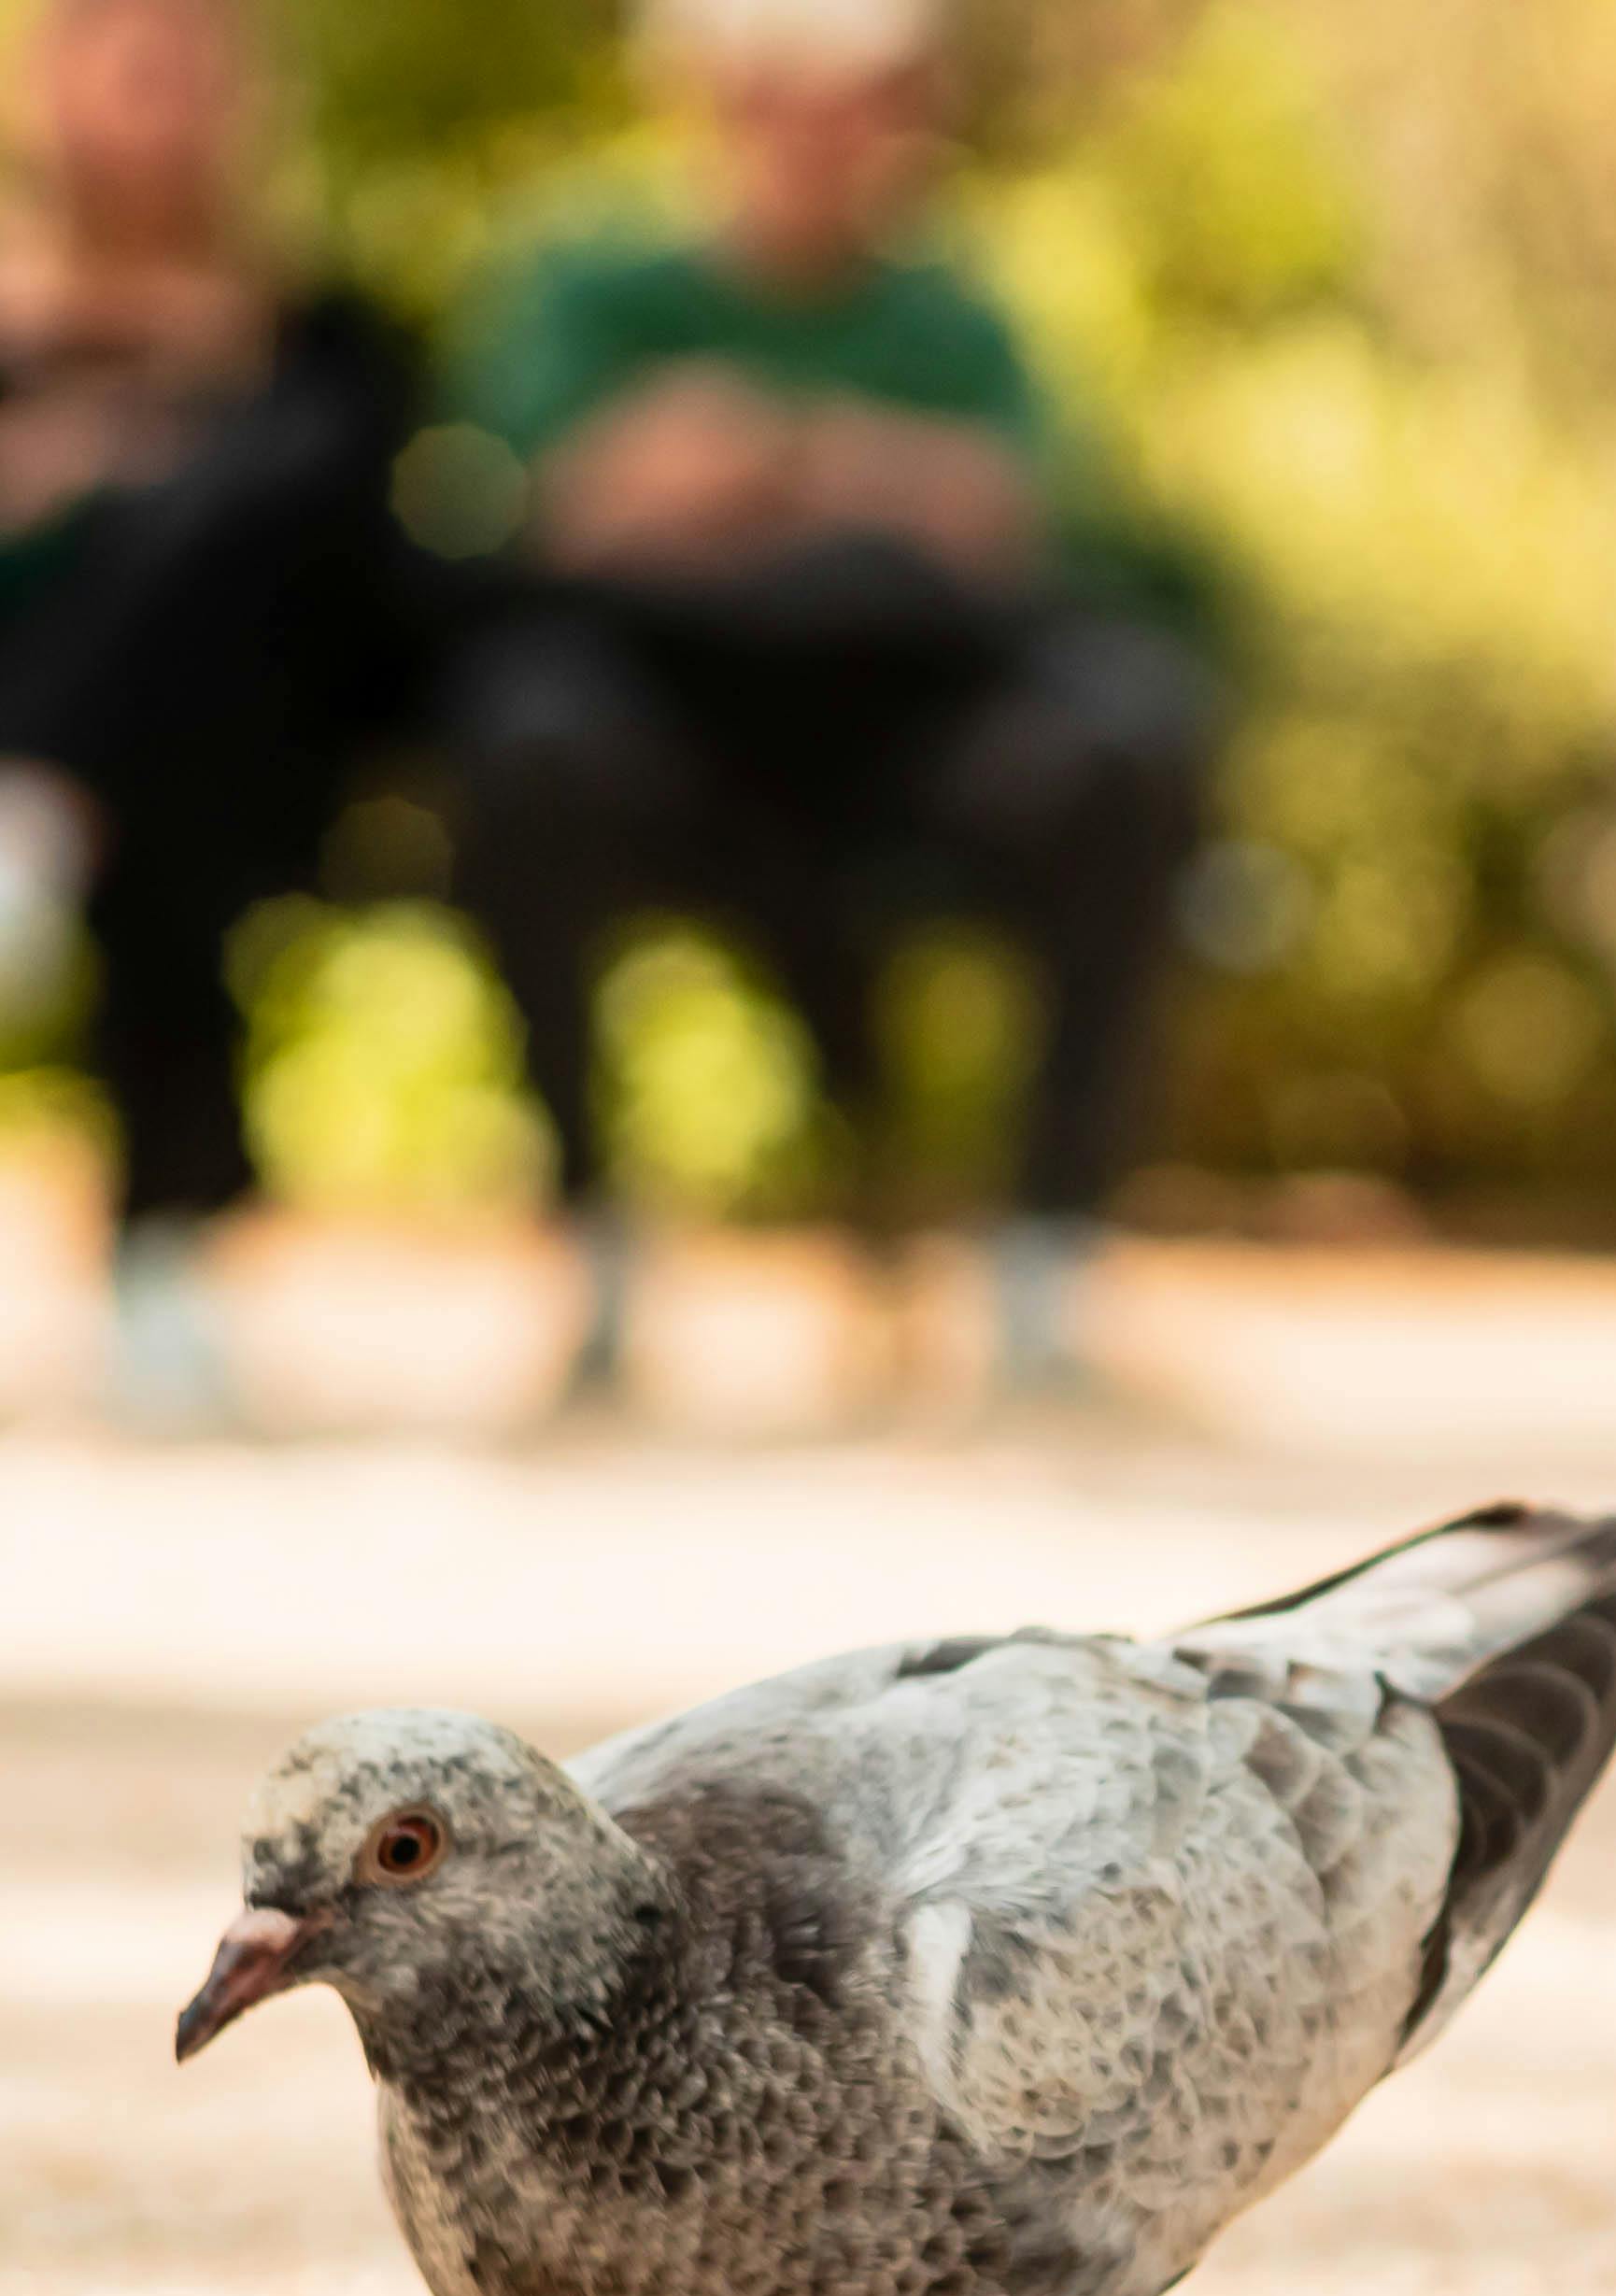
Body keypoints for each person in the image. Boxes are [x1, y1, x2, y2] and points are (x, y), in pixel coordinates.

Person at [443, 0, 1207, 1416]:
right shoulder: (591, 282)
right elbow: (569, 505)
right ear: (713, 100)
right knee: (519, 738)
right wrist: (871, 476)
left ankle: (1048, 1266)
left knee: (1124, 740)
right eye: (779, 92)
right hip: (669, 720)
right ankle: (597, 1250)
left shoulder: (960, 312)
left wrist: (757, 457)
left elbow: (1009, 518)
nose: (819, 131)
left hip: (916, 731)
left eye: (858, 96)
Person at [0, 0, 430, 1434]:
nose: (155, 94)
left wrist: (139, 454)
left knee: (187, 652)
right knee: (141, 752)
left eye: (188, 58)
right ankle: (167, 1244)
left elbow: (356, 548)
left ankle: (50, 809)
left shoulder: (323, 336)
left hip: (258, 749)